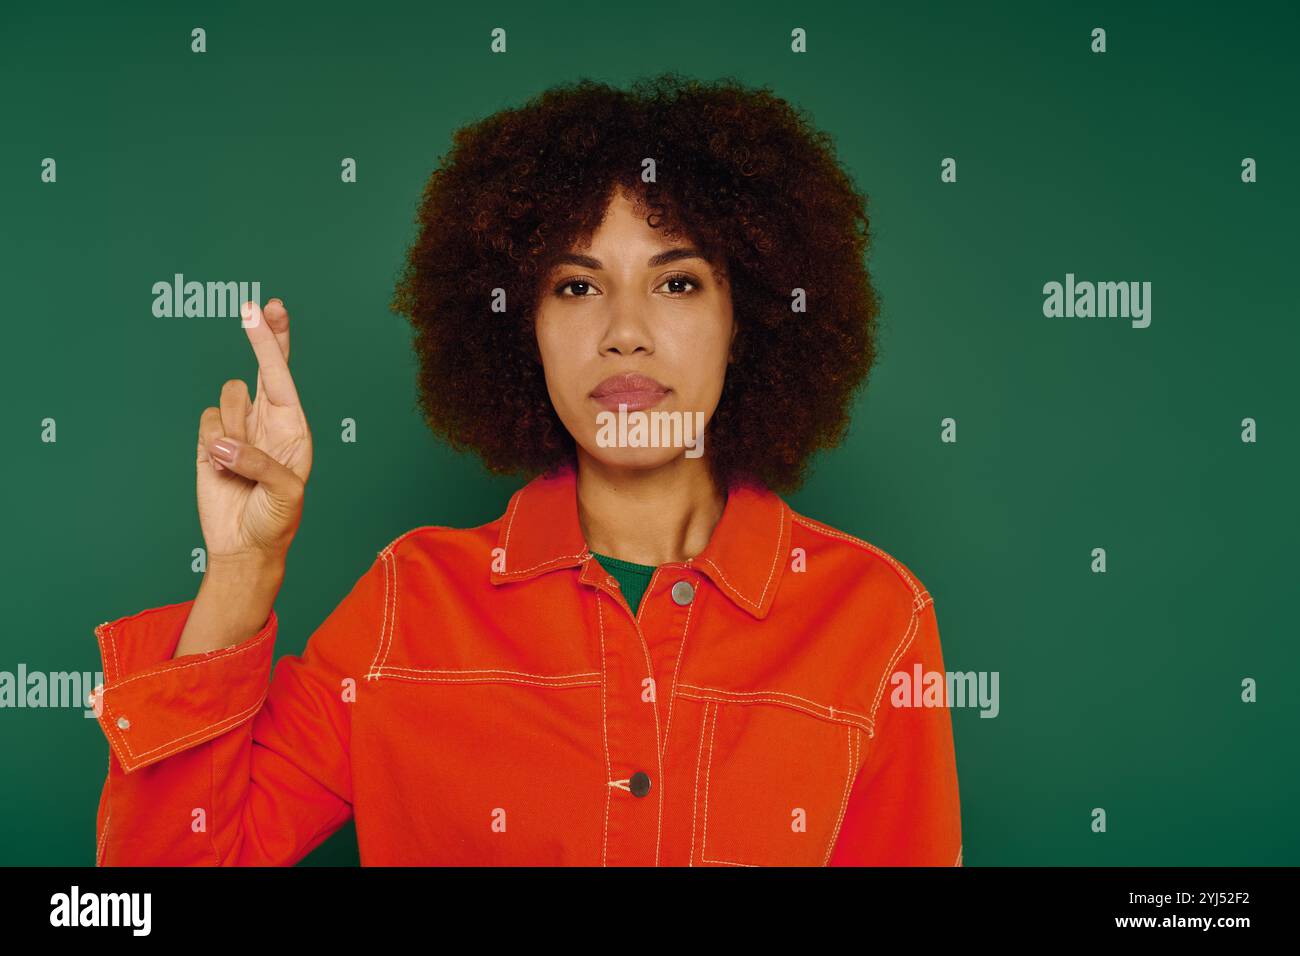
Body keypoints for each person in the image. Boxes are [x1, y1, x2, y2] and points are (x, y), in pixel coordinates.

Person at [90, 73, 961, 866]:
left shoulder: (875, 621)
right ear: (522, 328)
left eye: (678, 282)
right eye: (576, 287)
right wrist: (241, 573)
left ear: (750, 320)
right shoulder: (408, 606)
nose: (624, 330)